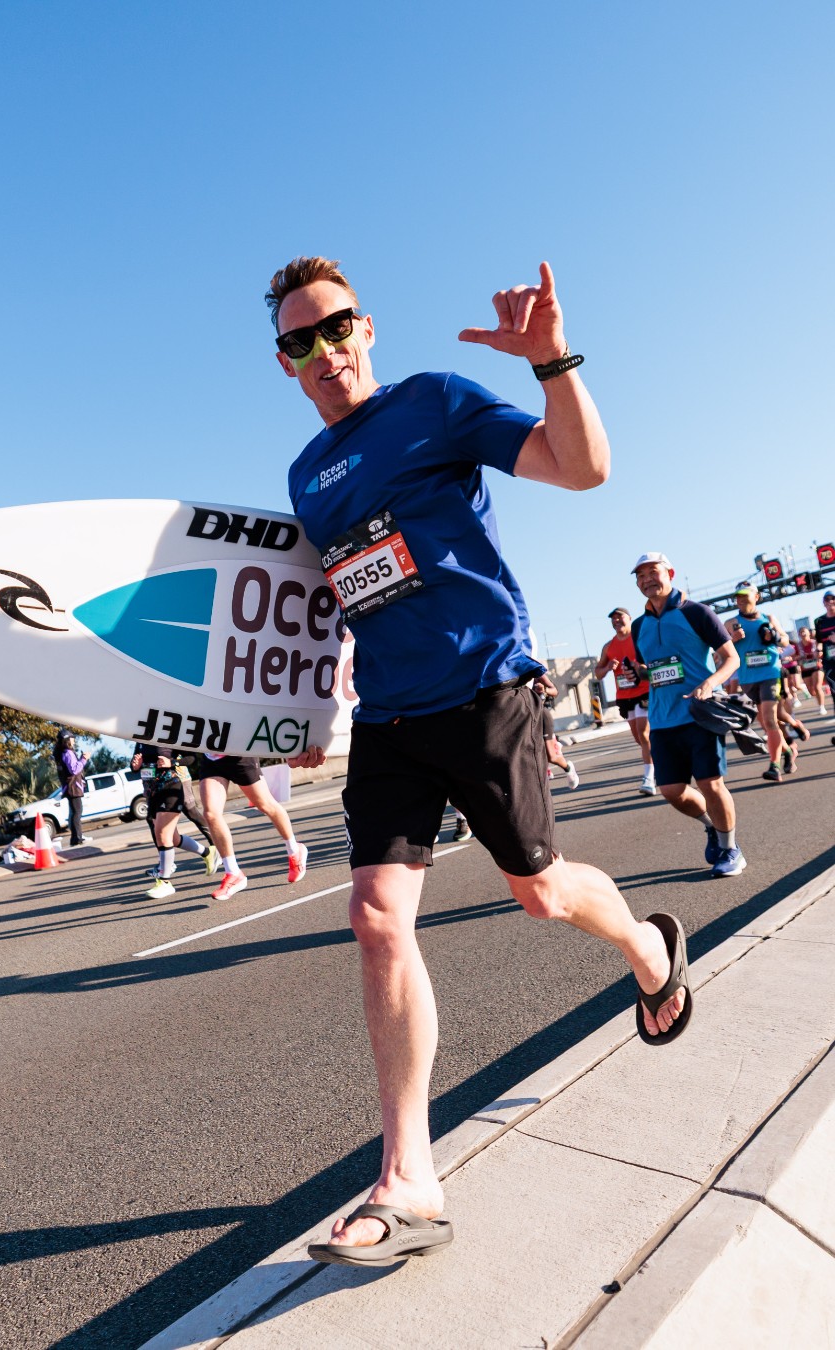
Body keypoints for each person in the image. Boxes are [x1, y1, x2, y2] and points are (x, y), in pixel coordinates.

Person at [268, 255, 692, 1267]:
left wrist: (554, 362)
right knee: (376, 917)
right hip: (391, 719)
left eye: (335, 329)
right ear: (282, 363)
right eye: (299, 342)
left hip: (487, 689)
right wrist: (307, 706)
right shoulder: (303, 477)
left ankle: (647, 947)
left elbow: (578, 466)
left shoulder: (435, 403)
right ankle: (408, 1177)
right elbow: (330, 600)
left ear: (365, 329)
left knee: (540, 893)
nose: (323, 352)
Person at [630, 555, 745, 875]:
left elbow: (731, 658)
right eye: (640, 576)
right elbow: (654, 669)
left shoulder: (696, 612)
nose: (647, 580)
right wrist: (639, 673)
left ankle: (730, 848)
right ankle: (712, 827)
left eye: (653, 572)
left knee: (711, 784)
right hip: (662, 720)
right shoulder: (639, 626)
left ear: (670, 573)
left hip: (698, 714)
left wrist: (709, 683)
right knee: (672, 792)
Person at [198, 755, 308, 900]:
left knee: (266, 805)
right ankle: (233, 872)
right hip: (211, 758)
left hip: (238, 756)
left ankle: (295, 850)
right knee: (211, 814)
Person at [130, 743, 219, 899]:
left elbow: (191, 757)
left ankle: (164, 881)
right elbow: (137, 765)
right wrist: (135, 766)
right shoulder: (140, 740)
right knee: (173, 838)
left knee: (163, 834)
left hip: (170, 787)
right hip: (152, 793)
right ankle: (207, 853)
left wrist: (172, 762)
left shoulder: (165, 737)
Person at [725, 584, 795, 782]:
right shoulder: (730, 622)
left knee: (769, 718)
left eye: (745, 596)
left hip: (770, 673)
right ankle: (788, 751)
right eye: (738, 597)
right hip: (748, 679)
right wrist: (732, 639)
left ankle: (774, 767)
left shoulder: (769, 618)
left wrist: (774, 636)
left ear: (756, 596)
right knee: (765, 723)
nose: (741, 600)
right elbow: (720, 651)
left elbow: (785, 640)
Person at [594, 607, 655, 795]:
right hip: (624, 697)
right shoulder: (609, 646)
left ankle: (649, 777)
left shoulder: (638, 639)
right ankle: (657, 760)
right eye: (613, 619)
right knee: (639, 737)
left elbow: (652, 659)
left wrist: (642, 668)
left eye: (620, 617)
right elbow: (598, 673)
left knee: (644, 735)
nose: (617, 621)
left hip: (644, 691)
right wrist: (608, 668)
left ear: (629, 618)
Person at [53, 730, 91, 845]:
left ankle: (77, 836)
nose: (74, 740)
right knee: (77, 812)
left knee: (74, 812)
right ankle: (77, 838)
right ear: (67, 740)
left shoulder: (62, 753)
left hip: (70, 786)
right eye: (72, 738)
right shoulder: (68, 753)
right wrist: (84, 759)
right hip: (73, 786)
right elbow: (74, 769)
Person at [540, 691, 580, 788]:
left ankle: (568, 768)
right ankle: (546, 772)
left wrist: (543, 690)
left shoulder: (537, 677)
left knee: (551, 756)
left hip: (542, 716)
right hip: (527, 717)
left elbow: (554, 691)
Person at [816, 592, 835, 743]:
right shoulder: (820, 621)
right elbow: (819, 641)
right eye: (827, 600)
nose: (830, 602)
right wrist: (818, 650)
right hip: (829, 662)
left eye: (832, 599)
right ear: (823, 603)